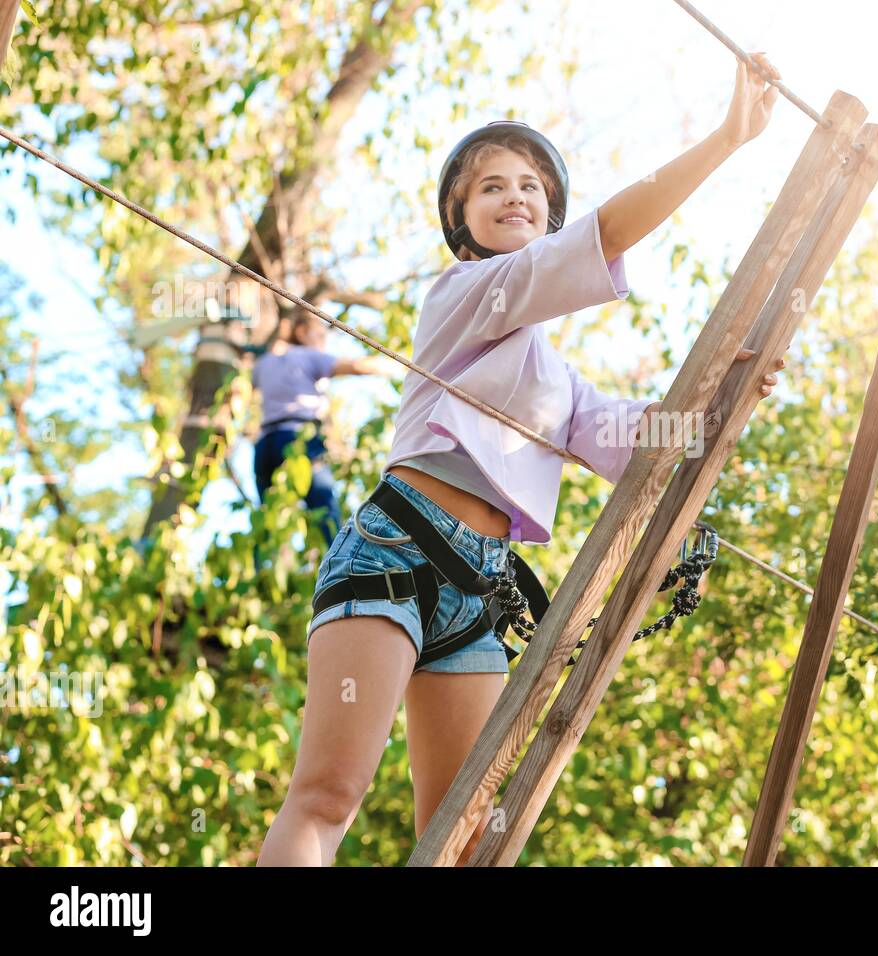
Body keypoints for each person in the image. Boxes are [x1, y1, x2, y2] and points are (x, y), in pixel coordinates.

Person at [258, 52, 789, 866]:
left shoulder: (557, 385)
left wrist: (733, 388)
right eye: (493, 185)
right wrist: (724, 140)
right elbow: (608, 230)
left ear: (548, 215)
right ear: (460, 218)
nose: (515, 195)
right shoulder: (463, 295)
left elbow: (645, 436)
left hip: (477, 594)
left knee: (462, 841)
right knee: (331, 792)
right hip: (394, 553)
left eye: (532, 187)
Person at [250, 314, 390, 547]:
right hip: (298, 439)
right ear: (302, 332)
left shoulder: (263, 363)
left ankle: (262, 573)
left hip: (265, 445)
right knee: (327, 516)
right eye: (320, 335)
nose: (324, 343)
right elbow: (355, 366)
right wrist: (393, 365)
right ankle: (342, 576)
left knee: (267, 523)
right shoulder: (307, 355)